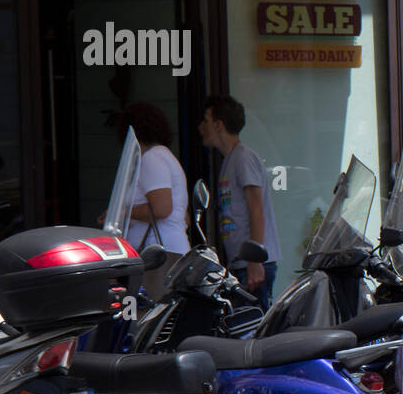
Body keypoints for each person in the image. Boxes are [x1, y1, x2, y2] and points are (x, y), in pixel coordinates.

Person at [197, 94, 281, 309]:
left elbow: (256, 209)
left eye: (205, 121)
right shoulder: (230, 160)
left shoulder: (244, 157)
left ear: (218, 125)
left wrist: (255, 260)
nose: (200, 127)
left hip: (254, 264)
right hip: (242, 263)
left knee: (252, 330)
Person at [116, 103, 189, 301]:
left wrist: (123, 213)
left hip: (157, 255)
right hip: (171, 249)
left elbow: (162, 208)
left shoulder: (151, 159)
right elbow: (183, 215)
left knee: (149, 315)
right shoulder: (165, 156)